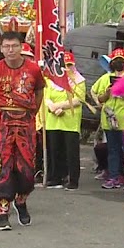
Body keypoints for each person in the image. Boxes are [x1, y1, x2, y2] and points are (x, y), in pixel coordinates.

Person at [0, 31, 45, 231]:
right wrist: (0, 116)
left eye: (14, 46)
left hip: (26, 121)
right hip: (2, 122)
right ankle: (2, 211)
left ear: (21, 47)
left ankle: (21, 199)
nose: (10, 50)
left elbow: (39, 94)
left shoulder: (34, 70)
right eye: (6, 46)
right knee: (2, 166)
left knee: (26, 168)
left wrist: (28, 113)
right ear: (1, 48)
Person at [40, 52, 86, 190]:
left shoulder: (79, 80)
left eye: (69, 65)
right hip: (53, 119)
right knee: (54, 149)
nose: (66, 68)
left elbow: (79, 100)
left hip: (70, 120)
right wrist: (53, 107)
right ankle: (55, 177)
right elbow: (46, 96)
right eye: (63, 65)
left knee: (70, 151)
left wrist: (60, 106)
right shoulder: (50, 79)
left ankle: (72, 179)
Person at [92, 49, 124, 191]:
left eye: (121, 60)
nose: (118, 63)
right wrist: (107, 93)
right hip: (109, 120)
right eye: (115, 60)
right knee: (113, 150)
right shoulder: (105, 78)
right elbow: (97, 95)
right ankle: (114, 177)